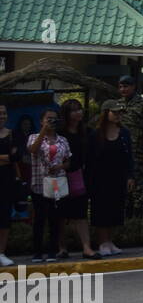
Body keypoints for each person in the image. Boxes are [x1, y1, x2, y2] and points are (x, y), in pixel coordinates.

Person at [86, 100, 133, 256]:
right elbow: (90, 159)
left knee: (116, 209)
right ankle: (102, 242)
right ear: (106, 113)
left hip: (118, 176)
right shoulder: (95, 134)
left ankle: (110, 240)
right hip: (100, 178)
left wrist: (130, 176)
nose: (118, 115)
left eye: (120, 112)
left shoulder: (124, 133)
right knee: (101, 210)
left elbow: (129, 157)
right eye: (115, 112)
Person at [26, 107, 69, 264]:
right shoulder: (34, 137)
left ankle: (52, 250)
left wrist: (60, 167)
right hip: (39, 183)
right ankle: (37, 251)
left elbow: (68, 160)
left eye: (54, 119)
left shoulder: (62, 140)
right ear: (41, 121)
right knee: (39, 219)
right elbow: (33, 150)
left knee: (54, 218)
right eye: (48, 119)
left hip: (57, 182)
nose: (51, 122)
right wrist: (44, 131)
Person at [57, 99, 96, 259]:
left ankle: (87, 247)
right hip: (60, 175)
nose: (78, 113)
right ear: (67, 114)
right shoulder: (60, 132)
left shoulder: (86, 131)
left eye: (79, 109)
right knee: (60, 213)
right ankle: (61, 247)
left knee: (80, 213)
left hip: (79, 175)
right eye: (73, 110)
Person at [116, 75, 143, 216]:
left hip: (138, 151)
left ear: (133, 87)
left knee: (138, 187)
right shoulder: (117, 105)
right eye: (120, 86)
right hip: (121, 151)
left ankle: (138, 220)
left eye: (126, 86)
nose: (123, 89)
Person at [0, 104, 18, 267]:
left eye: (4, 113)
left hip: (6, 180)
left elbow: (14, 158)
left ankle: (1, 252)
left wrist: (6, 159)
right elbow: (8, 157)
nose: (2, 116)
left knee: (5, 216)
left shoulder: (12, 134)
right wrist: (5, 158)